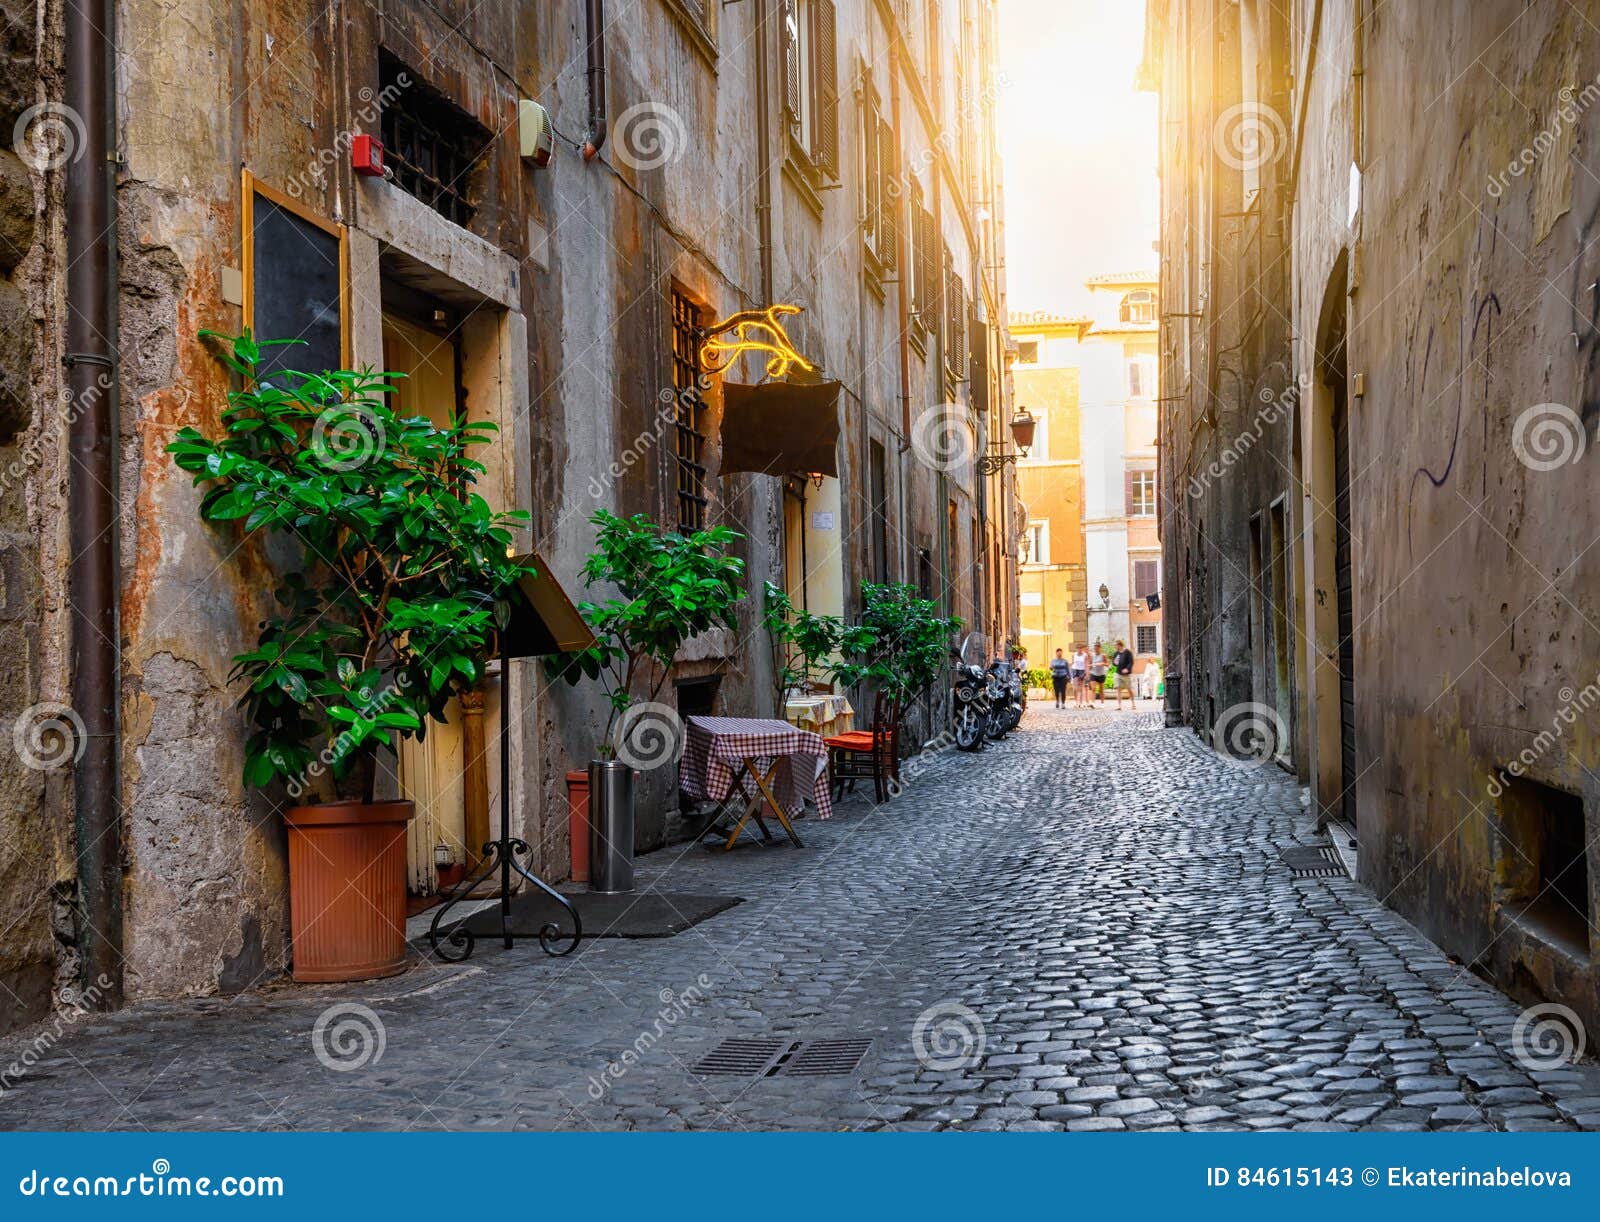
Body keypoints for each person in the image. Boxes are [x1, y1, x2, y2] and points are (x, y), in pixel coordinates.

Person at [1112, 639, 1137, 709]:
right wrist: (1114, 662)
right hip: (1118, 673)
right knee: (1118, 689)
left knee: (1129, 689)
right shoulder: (1116, 653)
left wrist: (1127, 669)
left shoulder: (1127, 652)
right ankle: (1119, 706)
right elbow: (1114, 663)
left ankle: (1133, 704)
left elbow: (1131, 662)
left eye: (1115, 645)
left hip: (1126, 674)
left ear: (1119, 645)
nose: (1115, 647)